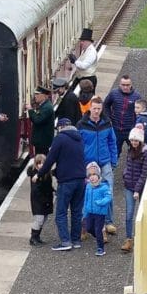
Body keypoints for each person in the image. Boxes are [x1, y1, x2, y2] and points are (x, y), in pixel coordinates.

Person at [34, 118, 87, 251]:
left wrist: (39, 174)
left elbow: (50, 159)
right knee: (76, 212)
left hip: (67, 181)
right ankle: (76, 240)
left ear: (61, 127)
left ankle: (65, 242)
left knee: (61, 213)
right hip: (81, 180)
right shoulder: (79, 137)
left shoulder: (60, 138)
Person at [77, 96, 118, 236]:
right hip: (88, 163)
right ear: (90, 108)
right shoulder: (81, 124)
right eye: (94, 108)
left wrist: (113, 160)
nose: (96, 111)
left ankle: (109, 222)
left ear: (102, 109)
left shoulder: (107, 123)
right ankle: (86, 223)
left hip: (105, 161)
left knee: (108, 192)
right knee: (88, 192)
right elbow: (78, 145)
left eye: (99, 109)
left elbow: (112, 142)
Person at [121, 126, 147, 253]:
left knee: (143, 214)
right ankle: (129, 239)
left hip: (141, 188)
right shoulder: (130, 150)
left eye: (136, 140)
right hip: (129, 185)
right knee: (129, 214)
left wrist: (137, 189)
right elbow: (127, 166)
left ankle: (143, 237)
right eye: (132, 140)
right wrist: (125, 175)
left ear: (140, 141)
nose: (134, 142)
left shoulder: (146, 153)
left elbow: (144, 174)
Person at [103, 75, 143, 153]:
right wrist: (108, 118)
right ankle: (114, 165)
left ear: (131, 85)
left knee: (134, 152)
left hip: (131, 130)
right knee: (114, 152)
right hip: (116, 129)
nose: (125, 87)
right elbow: (106, 105)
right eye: (123, 85)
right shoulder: (113, 93)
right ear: (119, 84)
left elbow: (142, 111)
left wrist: (137, 123)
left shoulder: (137, 96)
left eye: (127, 85)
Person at [83, 161, 112, 257]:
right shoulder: (88, 186)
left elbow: (108, 197)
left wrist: (100, 203)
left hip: (100, 212)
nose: (92, 177)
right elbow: (86, 199)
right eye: (90, 175)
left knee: (98, 229)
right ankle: (99, 237)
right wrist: (85, 211)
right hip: (90, 211)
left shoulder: (104, 186)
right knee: (89, 228)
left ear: (98, 175)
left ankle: (101, 248)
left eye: (94, 174)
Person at [26, 154, 53, 246]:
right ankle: (33, 238)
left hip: (45, 200)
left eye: (42, 163)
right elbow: (36, 190)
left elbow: (48, 186)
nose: (40, 165)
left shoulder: (46, 175)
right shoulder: (35, 176)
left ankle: (37, 237)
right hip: (38, 200)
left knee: (44, 218)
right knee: (39, 219)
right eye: (39, 163)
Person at [26, 85, 55, 156]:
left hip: (42, 141)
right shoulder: (44, 105)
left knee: (41, 159)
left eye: (37, 94)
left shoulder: (47, 107)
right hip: (41, 140)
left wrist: (30, 110)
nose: (35, 96)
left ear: (44, 95)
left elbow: (37, 120)